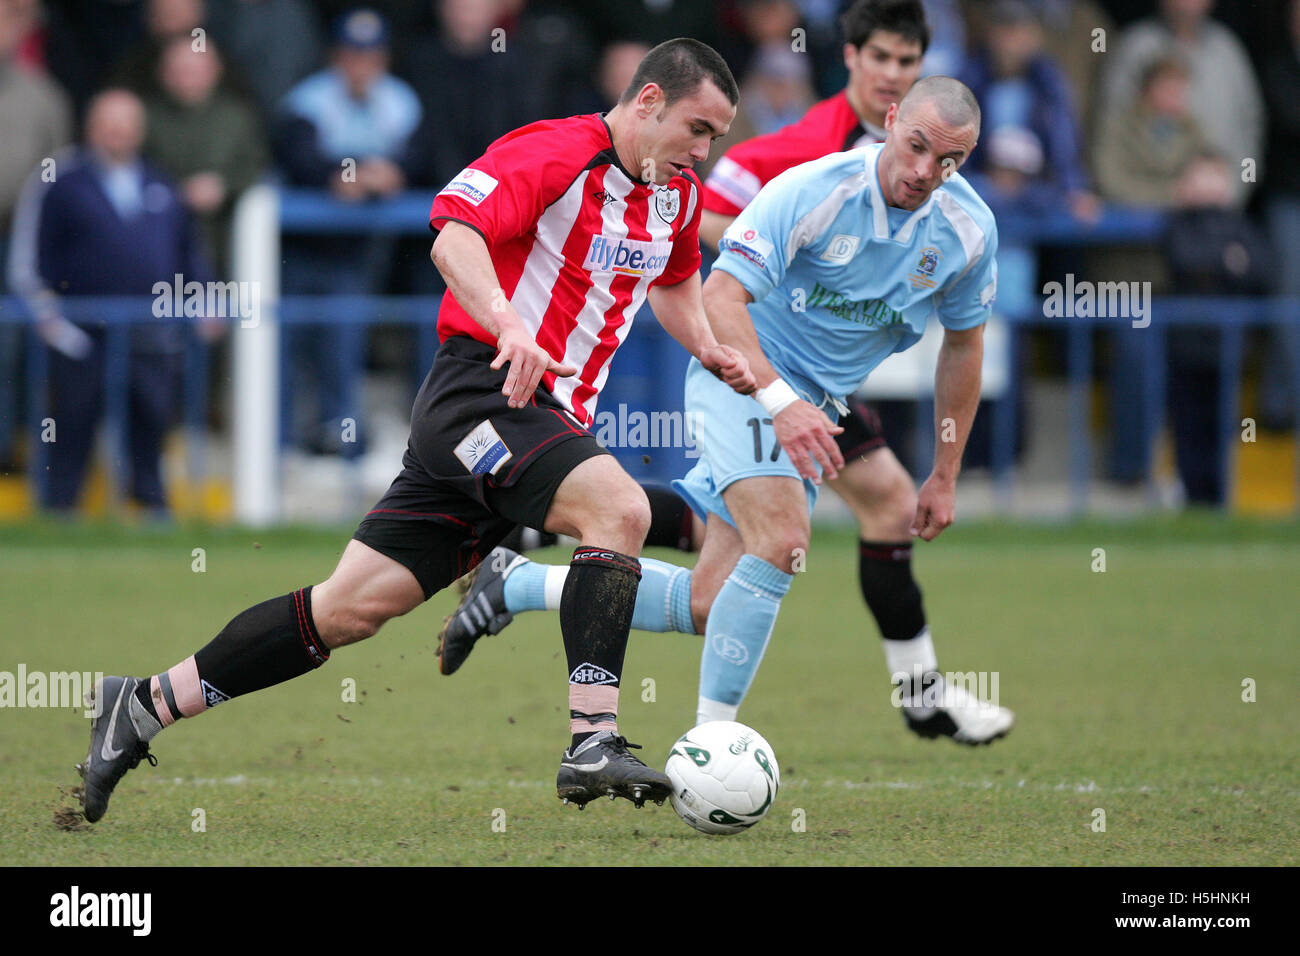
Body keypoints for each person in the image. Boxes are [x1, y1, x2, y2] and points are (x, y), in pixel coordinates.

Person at [73, 38, 754, 823]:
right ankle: (592, 739)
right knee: (621, 509)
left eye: (716, 136)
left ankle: (142, 705)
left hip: (540, 418)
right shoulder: (554, 152)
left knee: (346, 610)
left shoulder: (676, 195)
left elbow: (674, 280)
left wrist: (709, 347)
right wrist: (508, 323)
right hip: (483, 395)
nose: (704, 151)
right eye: (697, 129)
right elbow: (453, 234)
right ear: (648, 102)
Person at [443, 0, 1013, 746]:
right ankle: (720, 744)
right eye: (915, 147)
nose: (924, 172)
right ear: (887, 108)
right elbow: (716, 275)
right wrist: (777, 395)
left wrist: (947, 471)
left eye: (949, 162)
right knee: (786, 538)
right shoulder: (808, 172)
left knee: (714, 598)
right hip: (747, 369)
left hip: (822, 399)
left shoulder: (968, 229)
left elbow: (965, 346)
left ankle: (516, 582)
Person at [7, 87, 210, 514]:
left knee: (151, 426)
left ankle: (154, 514)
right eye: (108, 124)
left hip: (149, 335)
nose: (117, 133)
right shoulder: (59, 181)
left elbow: (188, 255)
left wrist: (203, 303)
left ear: (140, 130)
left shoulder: (159, 181)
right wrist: (54, 324)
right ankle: (58, 516)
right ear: (90, 127)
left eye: (126, 124)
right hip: (80, 334)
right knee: (71, 428)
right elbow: (28, 262)